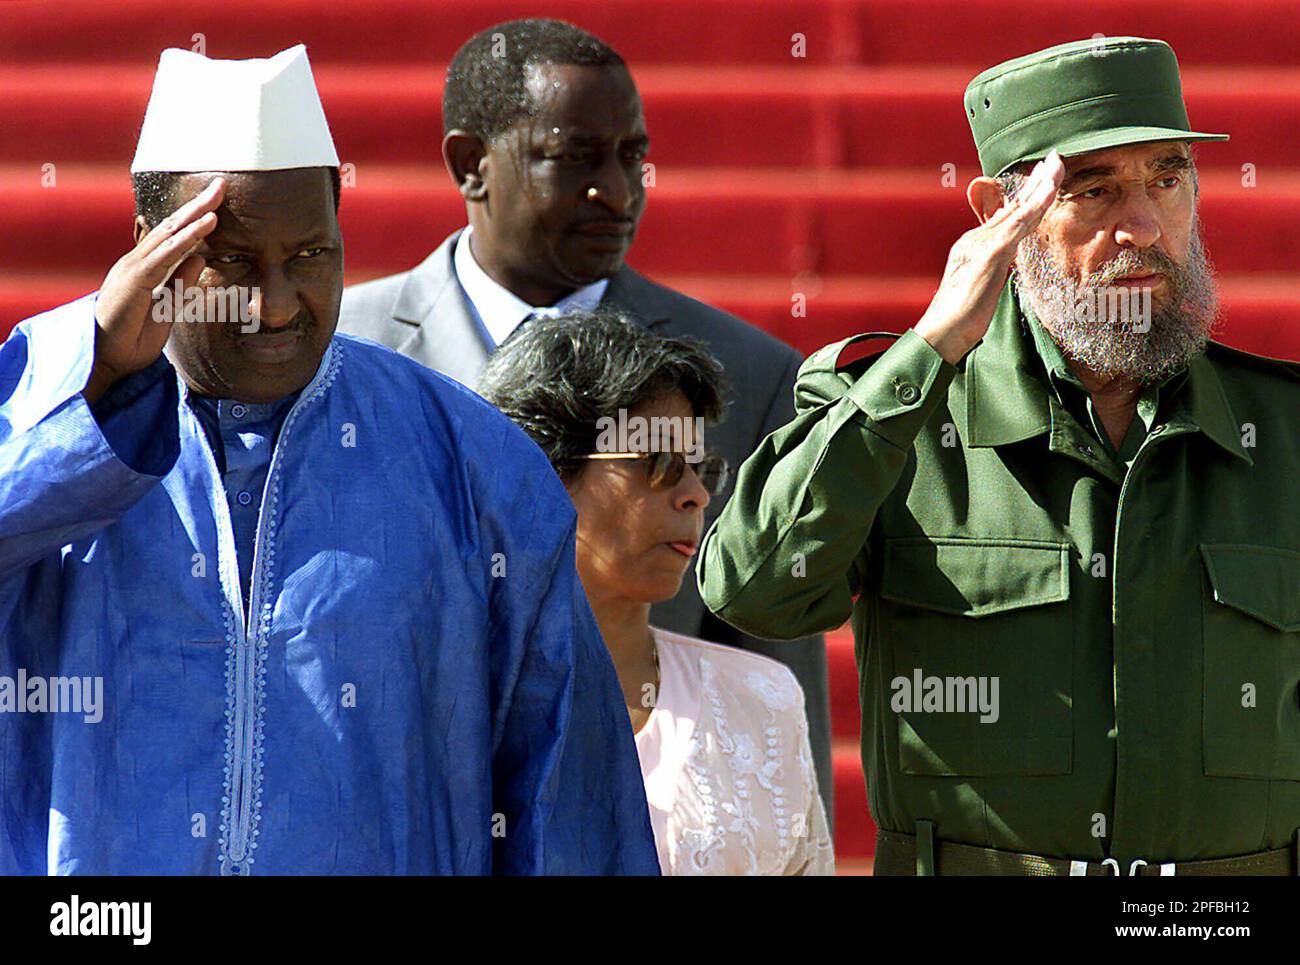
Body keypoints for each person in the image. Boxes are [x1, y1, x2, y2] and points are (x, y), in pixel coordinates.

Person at [0, 45, 658, 876]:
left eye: (310, 255)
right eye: (232, 261)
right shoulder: (45, 418)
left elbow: (569, 797)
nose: (276, 305)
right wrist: (91, 392)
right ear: (148, 251)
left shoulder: (472, 462)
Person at [698, 36, 1300, 876]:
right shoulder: (896, 414)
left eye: (1167, 178)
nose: (1143, 226)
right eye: (1094, 189)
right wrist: (931, 346)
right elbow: (755, 588)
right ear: (997, 212)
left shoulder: (1282, 431)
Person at [338, 17, 833, 818]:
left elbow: (769, 701)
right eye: (575, 158)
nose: (620, 191)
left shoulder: (751, 374)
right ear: (472, 164)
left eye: (632, 156)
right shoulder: (344, 358)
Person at [479, 309, 834, 875]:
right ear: (543, 475)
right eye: (661, 465)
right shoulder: (448, 703)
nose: (696, 494)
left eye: (703, 469)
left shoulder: (761, 702)